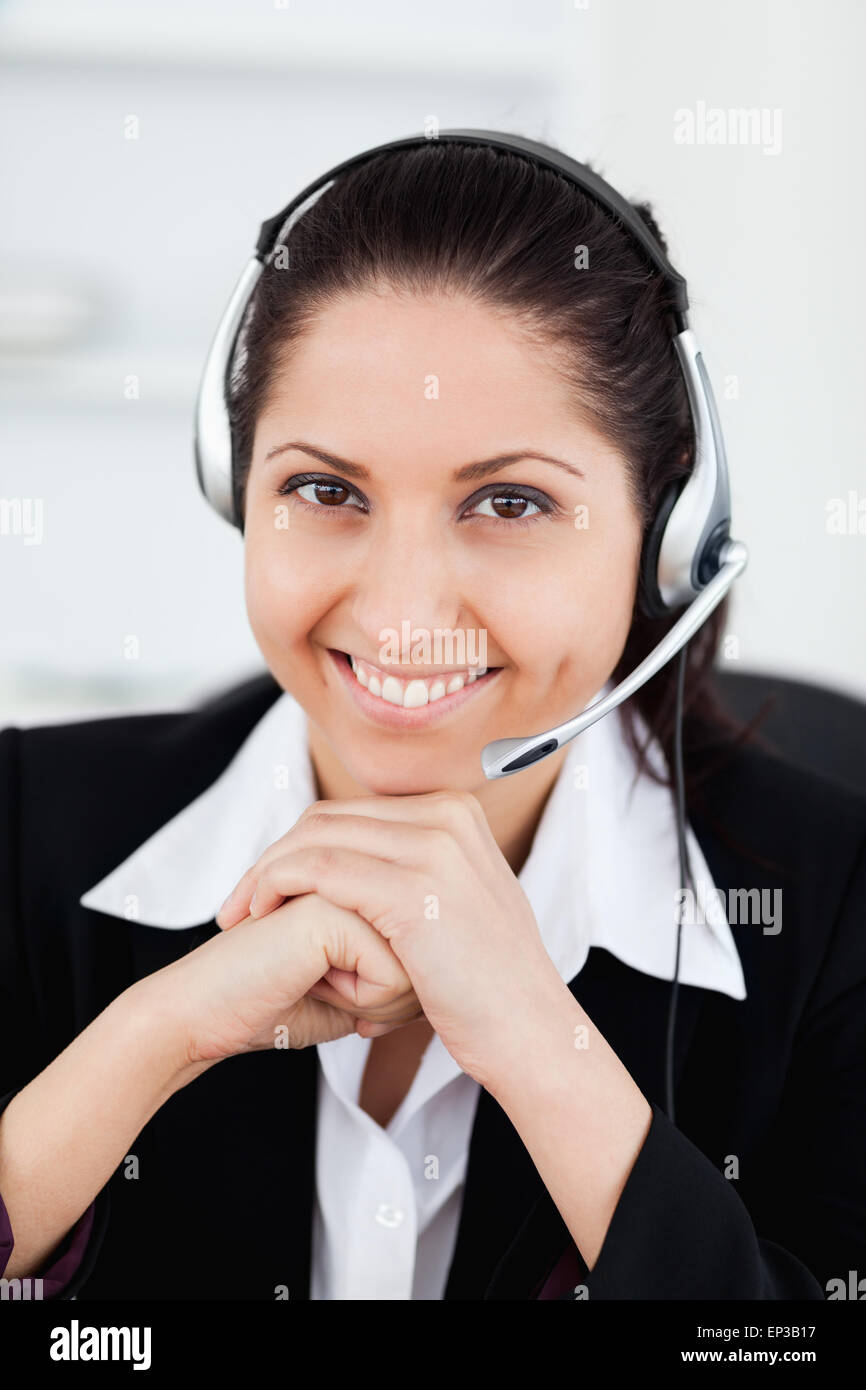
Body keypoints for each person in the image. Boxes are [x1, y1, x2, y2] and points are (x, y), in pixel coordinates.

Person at [1, 135, 864, 1302]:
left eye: (508, 501)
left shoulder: (836, 915)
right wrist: (158, 1037)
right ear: (234, 482)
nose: (403, 614)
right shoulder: (22, 827)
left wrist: (532, 1037)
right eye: (324, 489)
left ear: (667, 533)